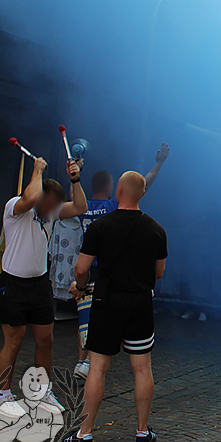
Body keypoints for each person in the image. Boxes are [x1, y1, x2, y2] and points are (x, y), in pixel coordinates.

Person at [63, 171, 168, 442]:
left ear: (119, 191)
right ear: (142, 193)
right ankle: (142, 431)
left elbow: (81, 269)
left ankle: (85, 433)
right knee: (142, 368)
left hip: (106, 300)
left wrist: (81, 286)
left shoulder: (100, 227)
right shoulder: (156, 229)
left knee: (97, 368)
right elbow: (159, 272)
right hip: (140, 301)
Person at [72, 143, 170, 380]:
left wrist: (75, 176)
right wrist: (158, 164)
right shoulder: (111, 207)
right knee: (140, 363)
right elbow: (142, 185)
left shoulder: (84, 208)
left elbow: (75, 198)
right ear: (111, 189)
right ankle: (88, 363)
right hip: (110, 274)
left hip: (90, 271)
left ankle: (83, 362)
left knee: (87, 319)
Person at [0, 157, 86, 412]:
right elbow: (30, 197)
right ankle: (3, 395)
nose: (54, 209)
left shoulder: (51, 213)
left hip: (39, 284)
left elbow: (80, 206)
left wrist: (75, 179)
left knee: (46, 340)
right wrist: (37, 169)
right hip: (13, 283)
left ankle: (42, 392)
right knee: (14, 340)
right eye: (51, 203)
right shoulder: (15, 207)